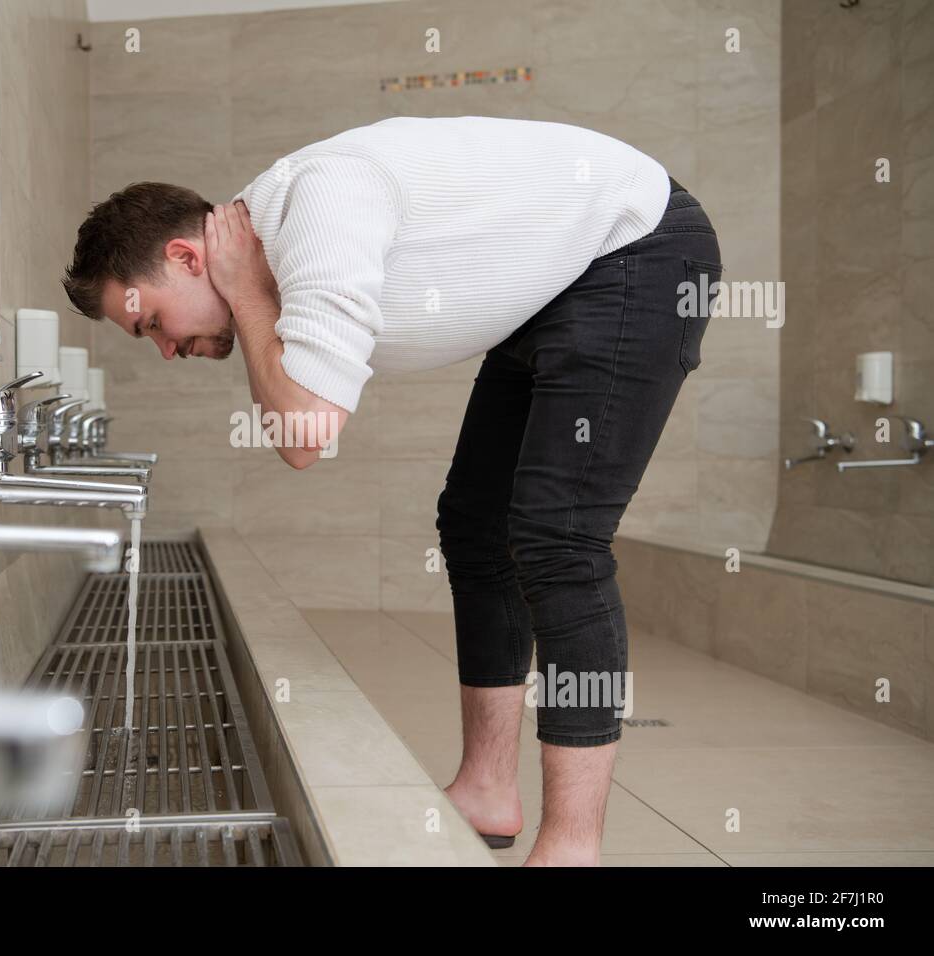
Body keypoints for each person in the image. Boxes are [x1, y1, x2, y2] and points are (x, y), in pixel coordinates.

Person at [62, 115, 723, 866]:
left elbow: (306, 434)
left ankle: (573, 848)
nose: (168, 350)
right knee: (475, 525)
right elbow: (298, 430)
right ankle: (486, 790)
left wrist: (246, 296)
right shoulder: (275, 250)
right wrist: (249, 298)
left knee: (557, 537)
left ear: (186, 257)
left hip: (635, 245)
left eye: (148, 322)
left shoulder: (319, 205)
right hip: (560, 284)